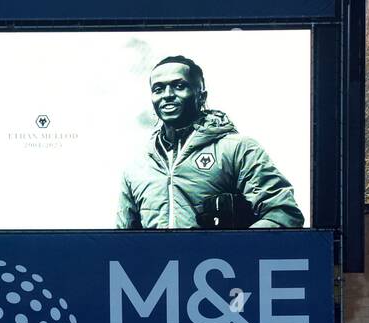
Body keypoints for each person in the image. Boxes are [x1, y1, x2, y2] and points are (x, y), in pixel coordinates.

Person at [118, 56, 302, 230]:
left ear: (202, 96)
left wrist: (232, 247)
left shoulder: (237, 148)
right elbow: (122, 243)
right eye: (158, 89)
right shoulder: (137, 167)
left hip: (219, 264)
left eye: (179, 86)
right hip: (161, 264)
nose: (167, 95)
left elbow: (284, 214)